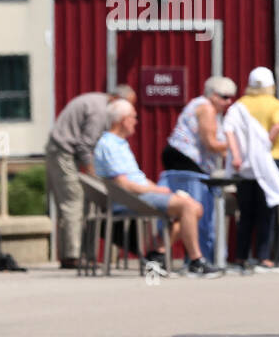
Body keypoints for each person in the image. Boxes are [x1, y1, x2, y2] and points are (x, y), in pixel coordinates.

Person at [93, 100, 221, 277]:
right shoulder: (109, 145)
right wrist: (157, 191)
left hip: (138, 194)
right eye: (133, 117)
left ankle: (157, 254)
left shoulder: (119, 143)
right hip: (129, 198)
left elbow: (137, 178)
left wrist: (160, 189)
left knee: (195, 208)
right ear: (123, 120)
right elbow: (124, 184)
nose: (136, 122)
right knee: (188, 207)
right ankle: (196, 261)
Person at [45, 85, 136, 269]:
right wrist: (95, 175)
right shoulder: (100, 112)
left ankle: (79, 254)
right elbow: (85, 146)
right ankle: (72, 256)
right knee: (74, 201)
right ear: (116, 100)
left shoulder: (99, 102)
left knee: (80, 202)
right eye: (127, 108)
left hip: (66, 151)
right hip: (63, 152)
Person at [234, 67, 279, 271]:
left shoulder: (241, 103)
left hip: (246, 164)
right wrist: (267, 141)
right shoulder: (275, 104)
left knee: (246, 211)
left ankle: (241, 257)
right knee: (267, 210)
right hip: (269, 161)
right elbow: (278, 125)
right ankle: (264, 257)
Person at [162, 77, 236, 174]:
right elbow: (211, 144)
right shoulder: (207, 108)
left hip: (179, 155)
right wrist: (234, 145)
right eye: (225, 97)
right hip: (186, 157)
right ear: (214, 95)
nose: (229, 102)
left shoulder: (199, 104)